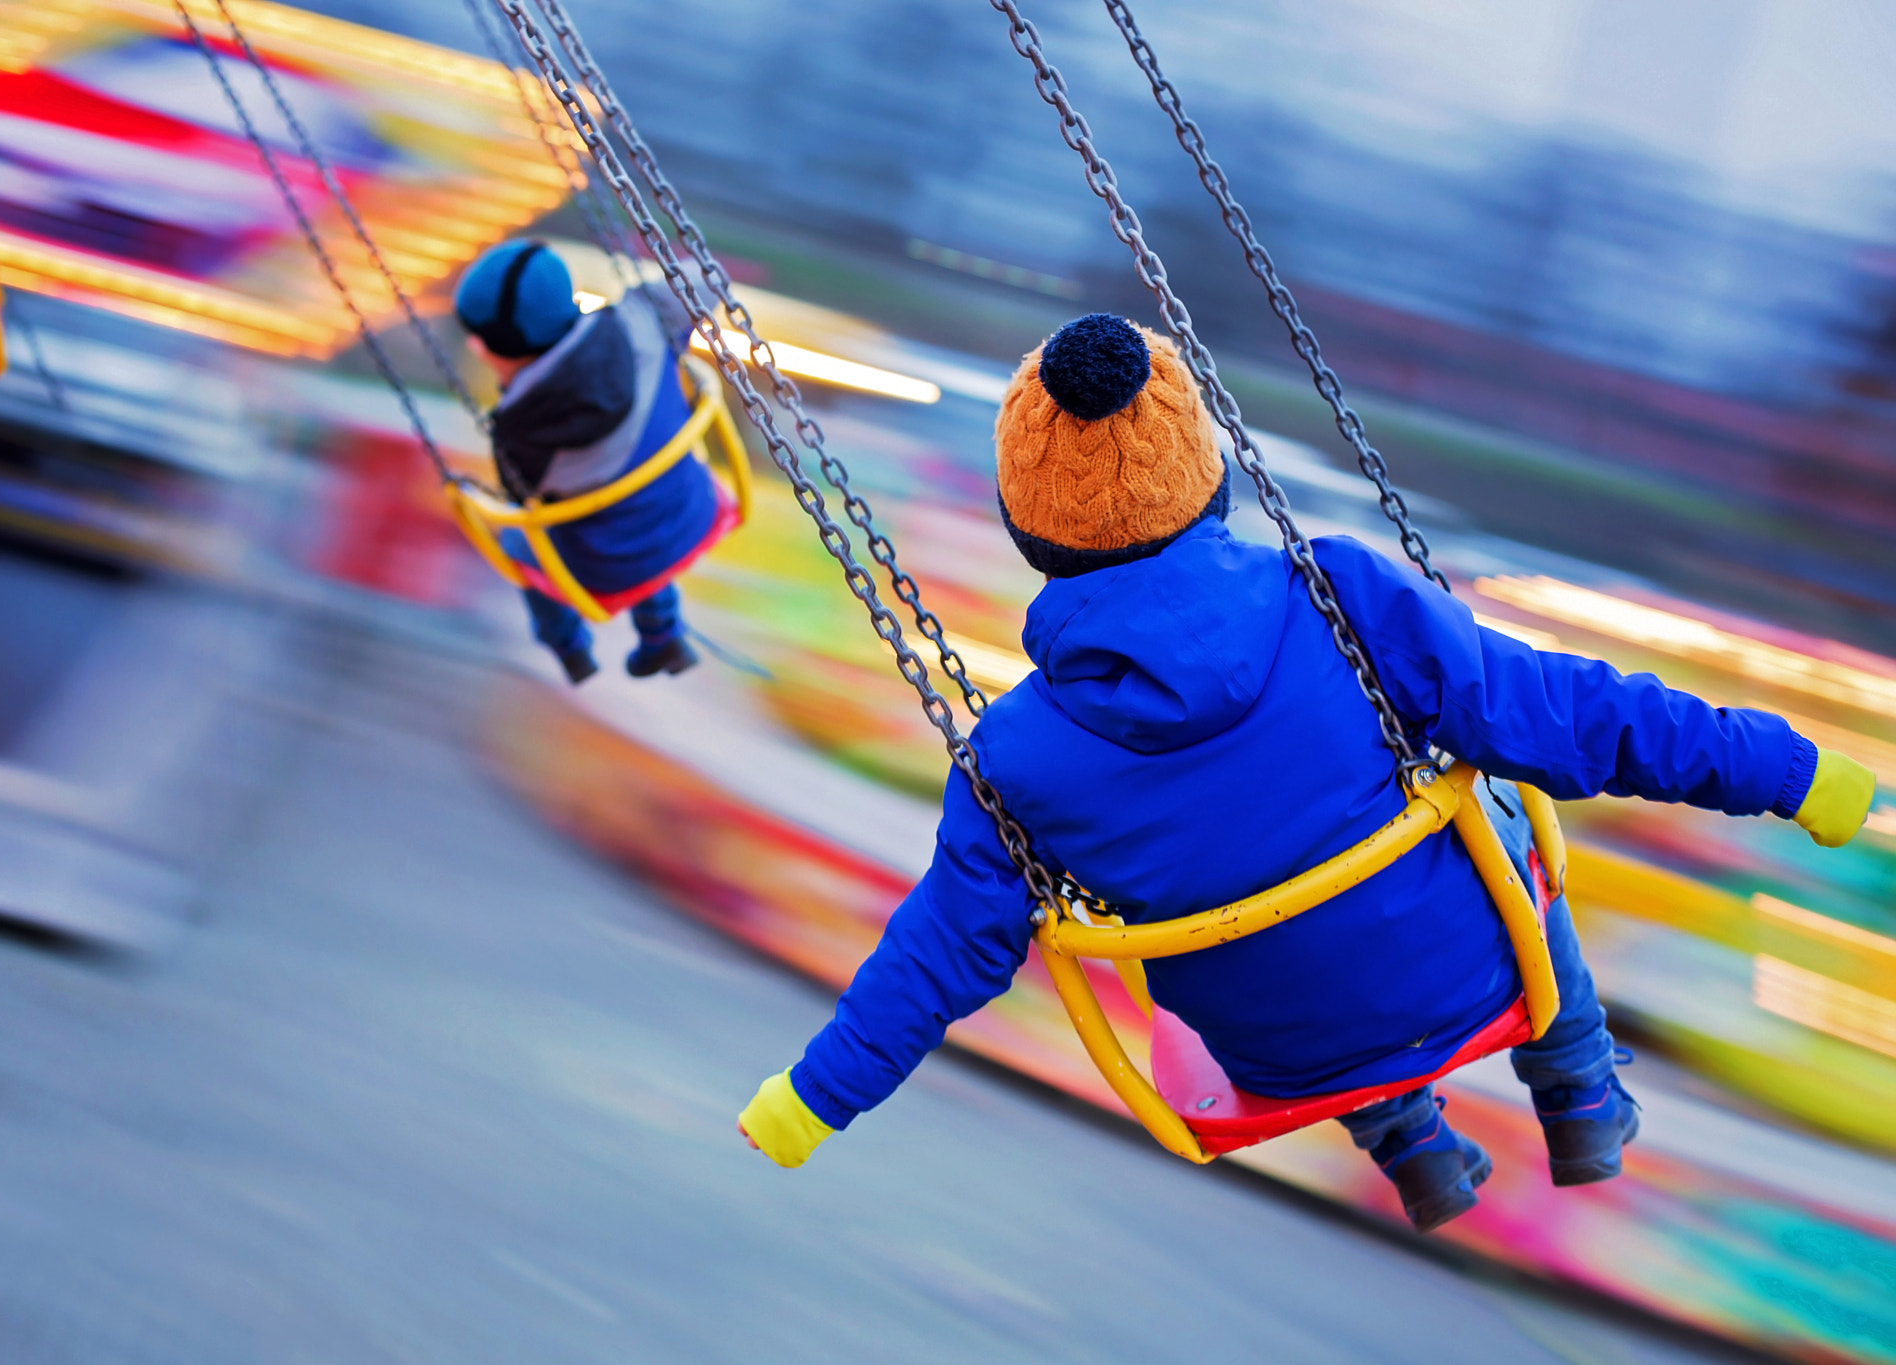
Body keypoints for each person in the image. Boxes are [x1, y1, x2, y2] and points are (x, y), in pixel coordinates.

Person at [735, 313, 1875, 1232]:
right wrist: (1787, 771)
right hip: (1471, 975)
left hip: (1276, 1054)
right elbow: (1574, 715)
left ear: (1029, 535)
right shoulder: (1334, 596)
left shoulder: (1010, 759)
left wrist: (811, 1100)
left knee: (1270, 933)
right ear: (1209, 475)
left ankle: (1412, 1148)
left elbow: (938, 952)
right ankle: (1578, 1089)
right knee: (1499, 805)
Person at [454, 239, 718, 682]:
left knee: (520, 543)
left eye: (480, 342)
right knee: (636, 505)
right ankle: (663, 638)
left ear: (502, 348)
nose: (478, 351)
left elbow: (525, 500)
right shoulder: (644, 316)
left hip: (608, 569)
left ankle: (570, 649)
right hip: (692, 509)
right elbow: (708, 280)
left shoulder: (520, 432)